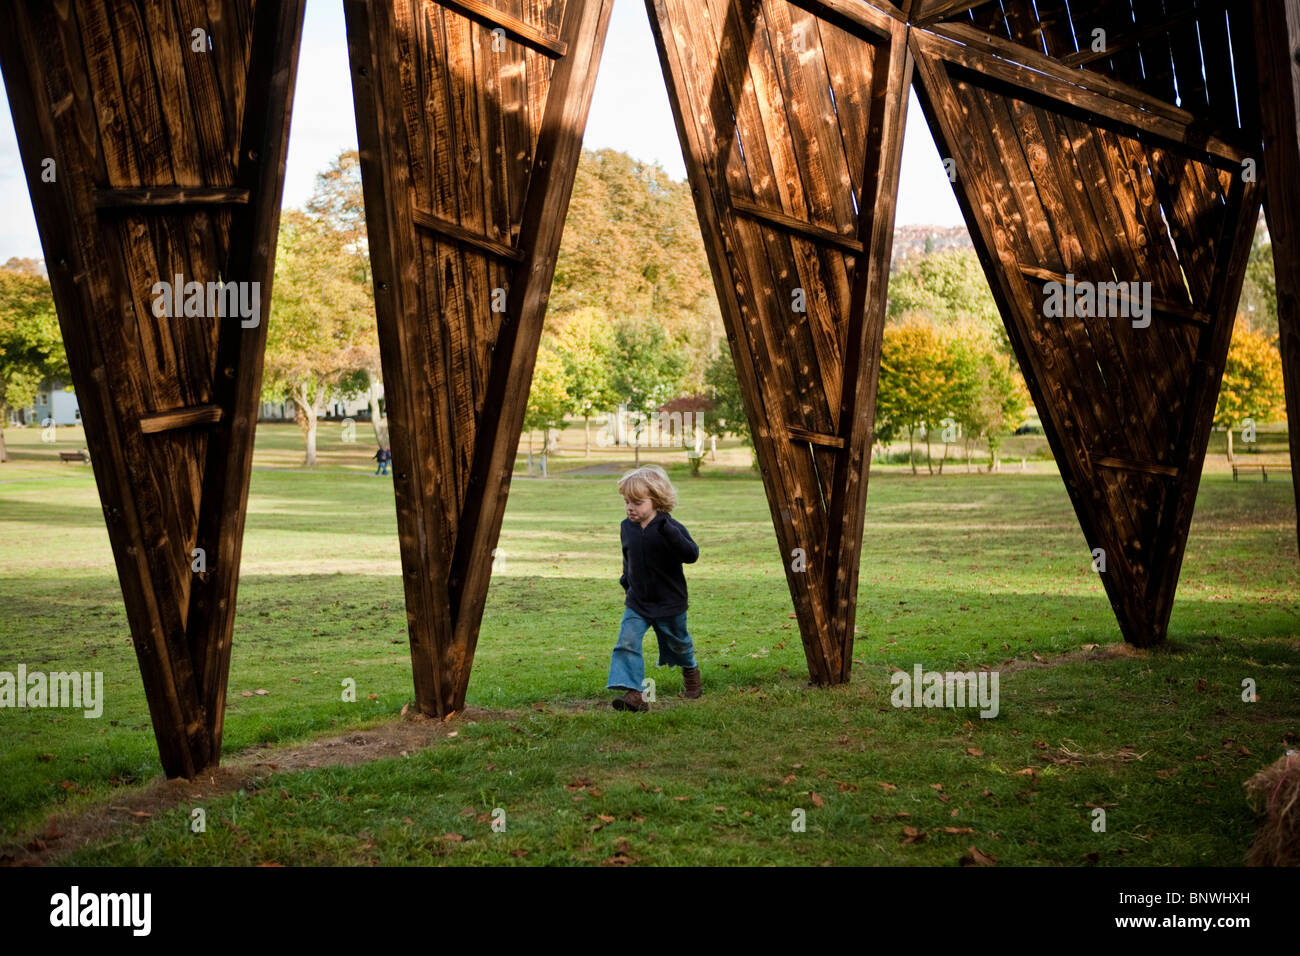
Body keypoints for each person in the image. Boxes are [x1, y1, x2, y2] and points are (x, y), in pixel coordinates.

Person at [607, 464, 701, 712]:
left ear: (657, 500)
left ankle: (690, 669)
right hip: (638, 601)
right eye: (627, 501)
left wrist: (671, 534)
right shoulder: (626, 527)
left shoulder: (669, 527)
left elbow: (691, 555)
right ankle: (635, 694)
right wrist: (626, 580)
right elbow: (628, 556)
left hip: (669, 601)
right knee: (626, 641)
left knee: (678, 643)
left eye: (637, 502)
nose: (630, 507)